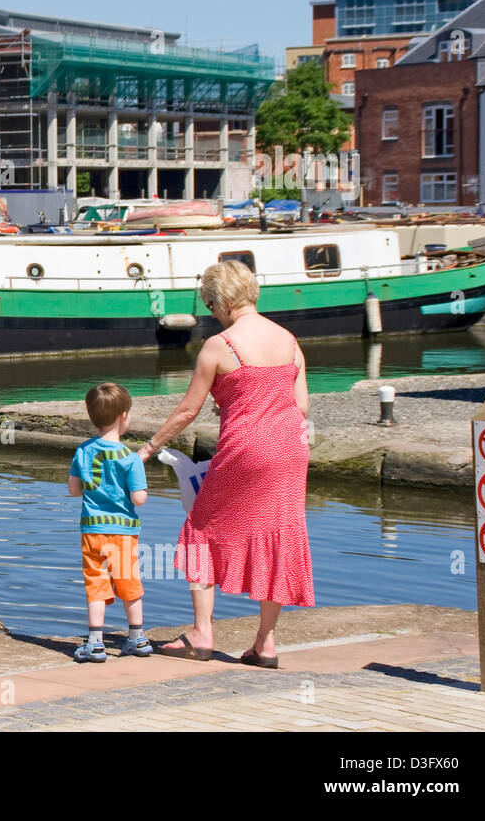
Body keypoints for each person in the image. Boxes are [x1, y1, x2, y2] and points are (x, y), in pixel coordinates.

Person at [139, 260, 312, 668]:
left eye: (209, 304)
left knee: (201, 528)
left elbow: (187, 411)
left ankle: (201, 634)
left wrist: (148, 448)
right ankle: (265, 645)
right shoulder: (288, 339)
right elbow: (300, 405)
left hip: (246, 449)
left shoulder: (220, 345)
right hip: (290, 449)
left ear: (220, 300)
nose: (209, 312)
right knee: (280, 534)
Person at [69, 382, 152, 662]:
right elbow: (139, 499)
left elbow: (73, 489)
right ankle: (137, 638)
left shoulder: (83, 451)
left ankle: (95, 643)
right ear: (123, 416)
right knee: (129, 583)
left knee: (96, 584)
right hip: (123, 533)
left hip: (92, 530)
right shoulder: (130, 458)